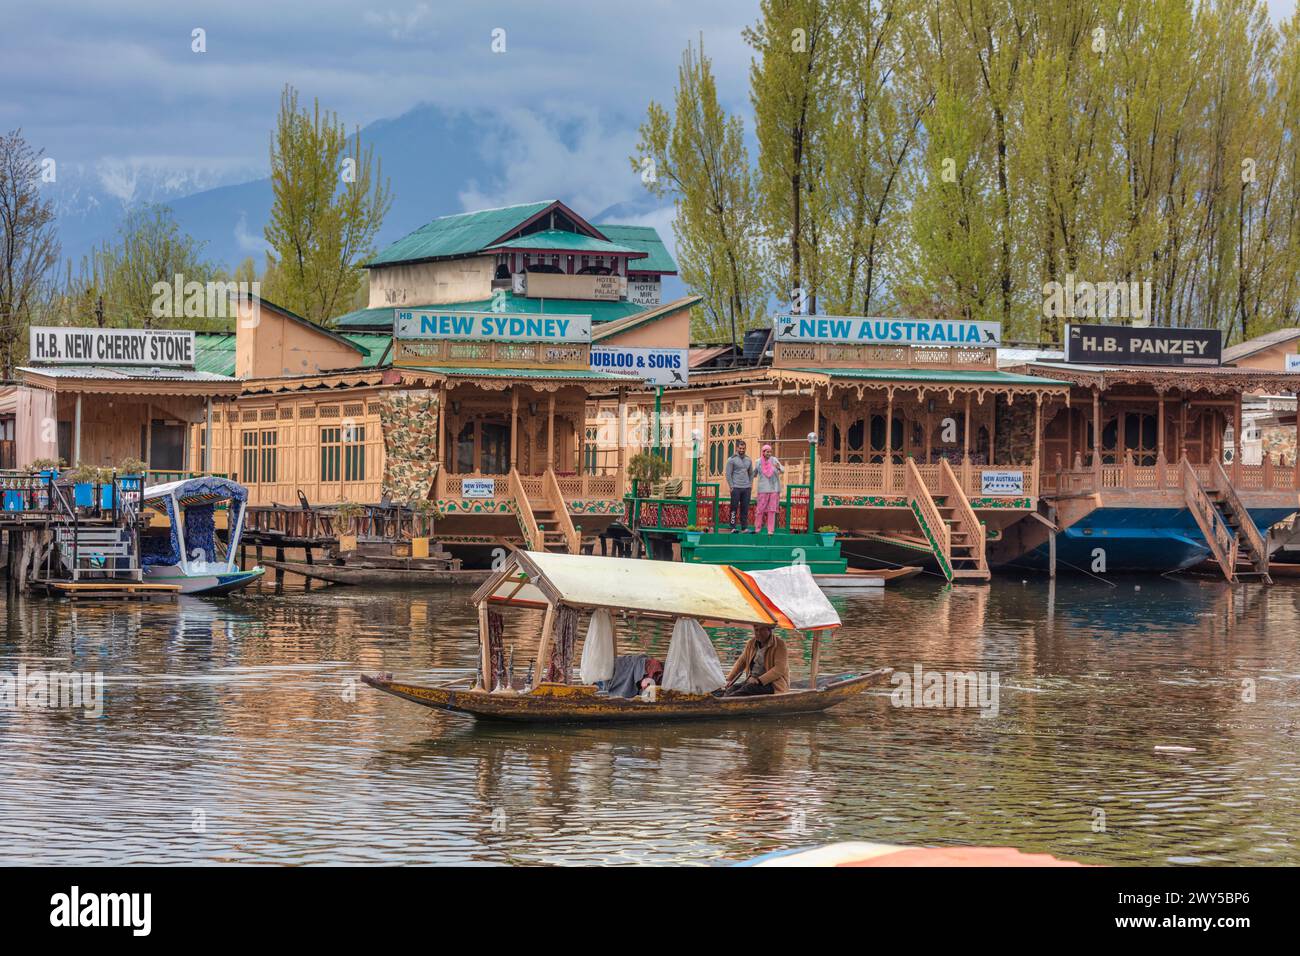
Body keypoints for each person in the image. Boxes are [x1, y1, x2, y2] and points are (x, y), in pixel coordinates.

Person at [721, 625, 789, 696]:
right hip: (752, 682)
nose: (759, 633)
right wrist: (729, 679)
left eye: (762, 630)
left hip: (772, 685)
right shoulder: (751, 643)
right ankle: (724, 700)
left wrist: (759, 680)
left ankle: (724, 702)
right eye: (756, 630)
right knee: (732, 689)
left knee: (746, 689)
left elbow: (780, 669)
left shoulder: (779, 644)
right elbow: (741, 662)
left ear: (769, 630)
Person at [752, 444, 784, 534]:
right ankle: (757, 529)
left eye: (770, 451)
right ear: (763, 452)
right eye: (767, 451)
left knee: (772, 510)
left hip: (774, 488)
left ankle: (770, 530)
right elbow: (754, 473)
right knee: (760, 510)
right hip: (763, 489)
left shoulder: (774, 460)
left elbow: (782, 469)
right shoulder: (758, 462)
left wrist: (779, 467)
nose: (769, 453)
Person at [724, 439, 753, 533]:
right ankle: (732, 527)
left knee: (745, 508)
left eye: (743, 448)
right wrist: (731, 486)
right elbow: (728, 474)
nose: (742, 450)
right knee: (734, 507)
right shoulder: (731, 459)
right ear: (737, 448)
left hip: (746, 488)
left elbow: (751, 473)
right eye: (740, 448)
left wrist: (750, 484)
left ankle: (744, 527)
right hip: (736, 487)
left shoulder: (749, 459)